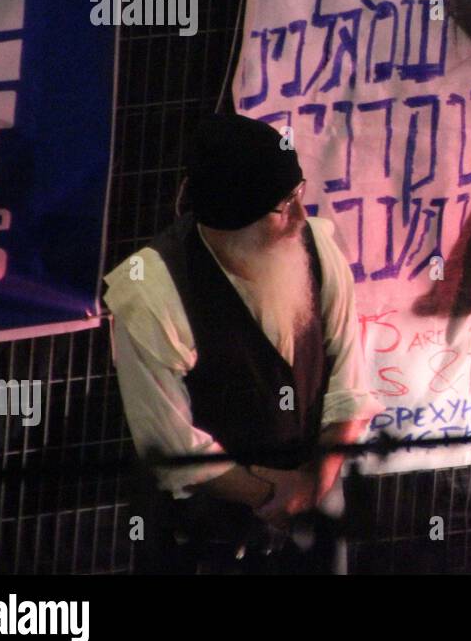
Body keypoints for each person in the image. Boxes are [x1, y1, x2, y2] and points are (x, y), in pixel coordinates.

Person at [103, 112, 381, 572]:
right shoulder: (151, 291)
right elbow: (172, 448)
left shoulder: (318, 249)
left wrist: (313, 484)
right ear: (235, 217)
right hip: (204, 533)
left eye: (298, 194)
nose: (300, 217)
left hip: (315, 508)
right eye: (283, 205)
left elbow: (348, 388)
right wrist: (274, 495)